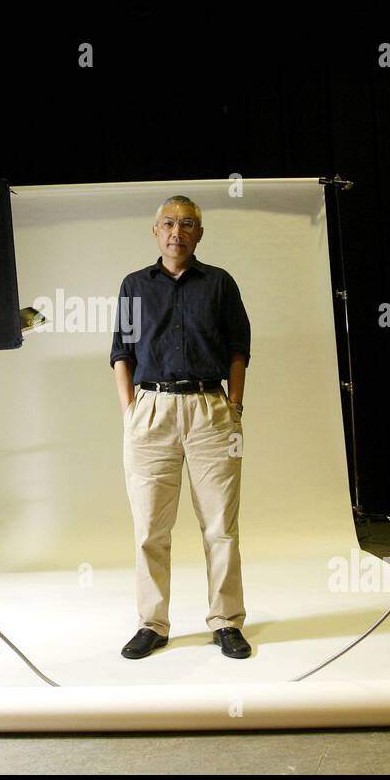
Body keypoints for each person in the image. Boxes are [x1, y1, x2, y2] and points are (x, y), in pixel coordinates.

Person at [110, 196, 253, 659]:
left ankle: (226, 621)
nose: (177, 231)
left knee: (221, 525)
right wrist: (130, 409)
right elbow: (121, 353)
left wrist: (234, 405)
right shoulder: (134, 285)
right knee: (150, 526)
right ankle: (152, 623)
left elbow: (238, 348)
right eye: (169, 223)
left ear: (199, 234)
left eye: (187, 224)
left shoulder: (220, 284)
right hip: (151, 411)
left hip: (211, 410)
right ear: (155, 231)